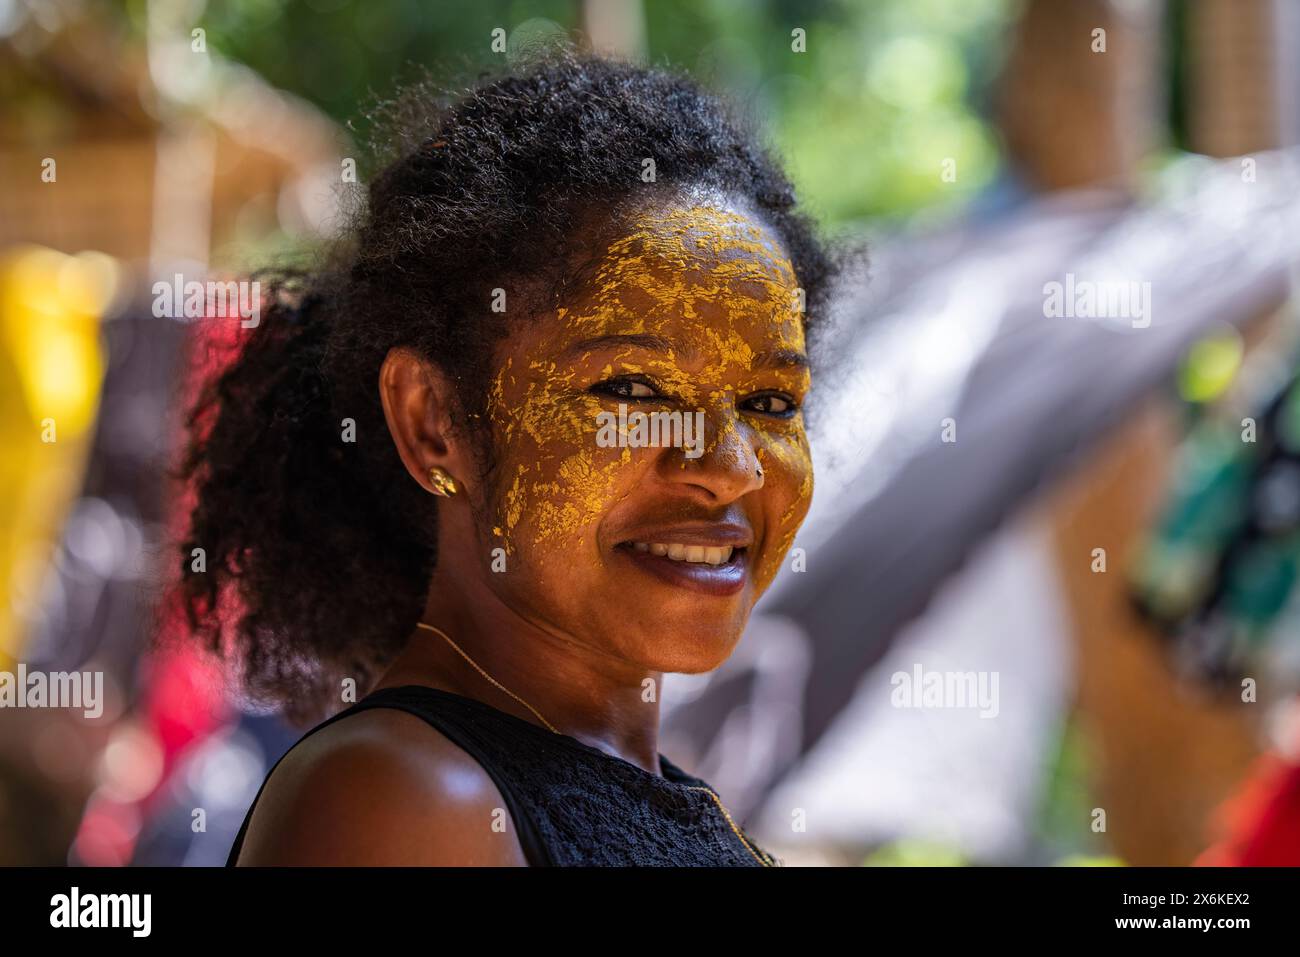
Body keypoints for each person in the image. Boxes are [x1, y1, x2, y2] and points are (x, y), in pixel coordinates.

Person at [177, 52, 840, 866]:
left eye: (771, 403)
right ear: (434, 423)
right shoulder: (406, 802)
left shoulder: (655, 793)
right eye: (634, 390)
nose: (732, 464)